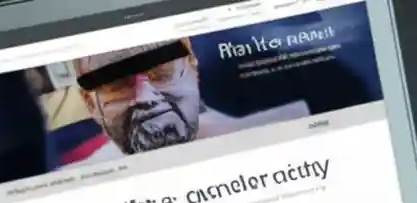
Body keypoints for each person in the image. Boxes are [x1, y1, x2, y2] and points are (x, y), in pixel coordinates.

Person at [69, 38, 309, 166]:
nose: (145, 97)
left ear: (194, 69)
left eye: (162, 74)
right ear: (90, 104)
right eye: (117, 85)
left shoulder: (298, 136)